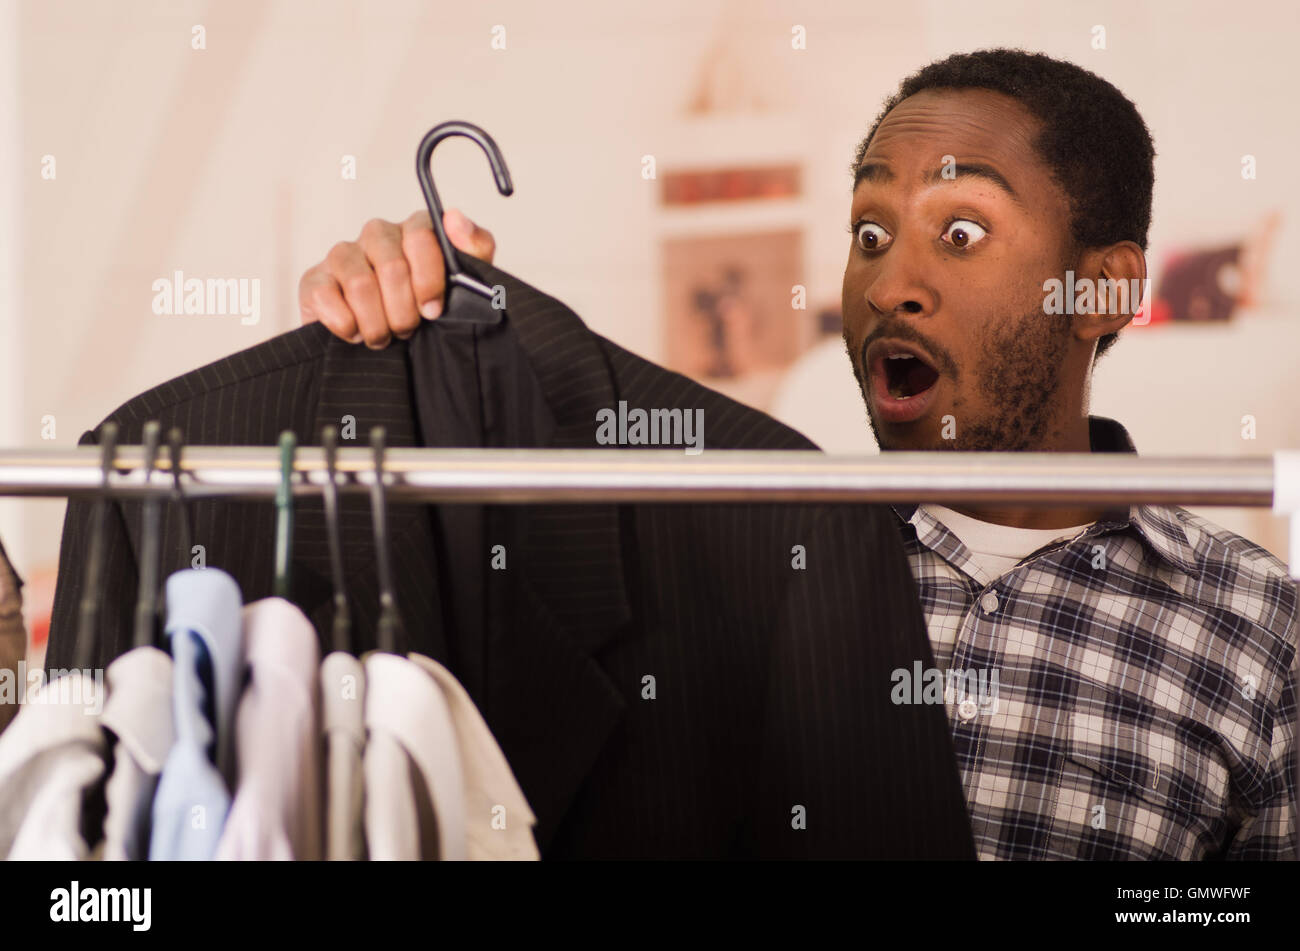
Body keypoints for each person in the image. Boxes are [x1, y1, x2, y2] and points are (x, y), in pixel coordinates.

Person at [301, 48, 1297, 860]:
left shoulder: (1259, 634)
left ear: (1104, 291)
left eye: (959, 231)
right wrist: (419, 307)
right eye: (869, 229)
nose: (887, 283)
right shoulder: (729, 564)